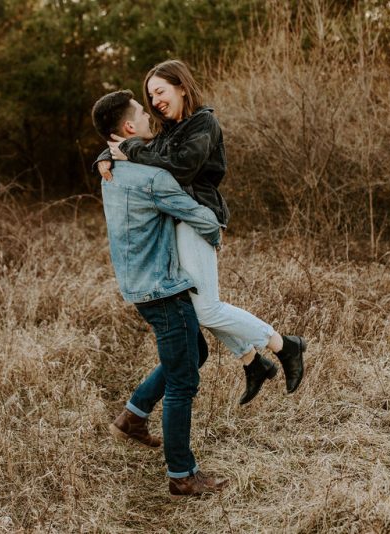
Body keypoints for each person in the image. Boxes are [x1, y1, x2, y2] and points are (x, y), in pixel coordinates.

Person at [96, 59, 306, 405]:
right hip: (174, 225)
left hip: (197, 219)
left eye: (161, 91)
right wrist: (105, 154)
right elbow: (134, 140)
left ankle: (284, 345)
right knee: (195, 309)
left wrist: (129, 150)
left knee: (207, 310)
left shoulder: (202, 124)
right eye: (151, 96)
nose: (156, 100)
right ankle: (252, 362)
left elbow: (181, 167)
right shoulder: (165, 129)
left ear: (181, 86)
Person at [92, 89, 230, 499]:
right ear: (129, 128)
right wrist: (216, 232)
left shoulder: (111, 167)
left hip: (138, 284)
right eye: (141, 111)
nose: (150, 113)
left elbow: (114, 153)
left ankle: (133, 417)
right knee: (184, 380)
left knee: (196, 352)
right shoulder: (152, 177)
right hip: (164, 288)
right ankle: (181, 474)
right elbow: (199, 216)